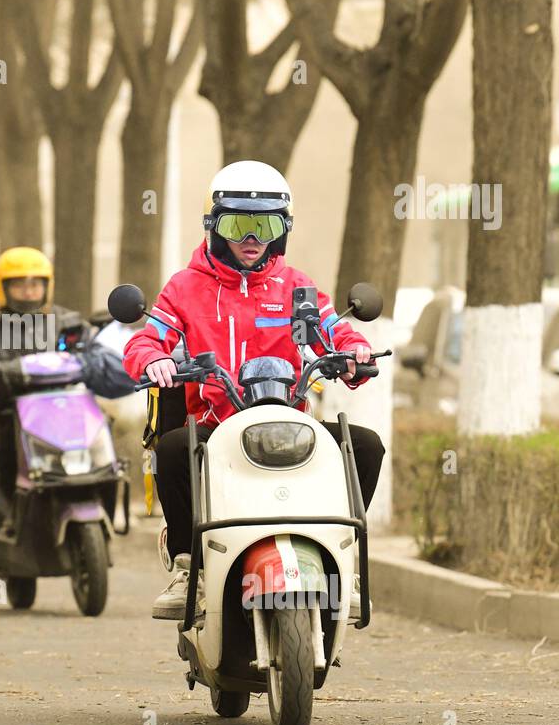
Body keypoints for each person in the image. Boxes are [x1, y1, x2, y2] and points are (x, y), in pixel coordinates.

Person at [122, 160, 386, 620]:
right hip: (215, 426)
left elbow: (335, 332)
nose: (251, 238)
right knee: (171, 449)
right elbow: (146, 339)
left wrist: (356, 354)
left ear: (282, 229)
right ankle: (190, 570)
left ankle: (348, 566)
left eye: (264, 225)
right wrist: (154, 358)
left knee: (366, 446)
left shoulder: (297, 287)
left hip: (288, 424)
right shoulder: (184, 288)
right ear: (214, 226)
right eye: (238, 223)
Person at [0, 247, 135, 507]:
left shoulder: (70, 324)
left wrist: (90, 364)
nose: (28, 291)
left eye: (35, 284)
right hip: (11, 420)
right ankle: (9, 512)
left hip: (68, 416)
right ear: (3, 287)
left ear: (47, 285)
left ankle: (106, 502)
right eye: (19, 285)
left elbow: (111, 367)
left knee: (103, 428)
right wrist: (6, 375)